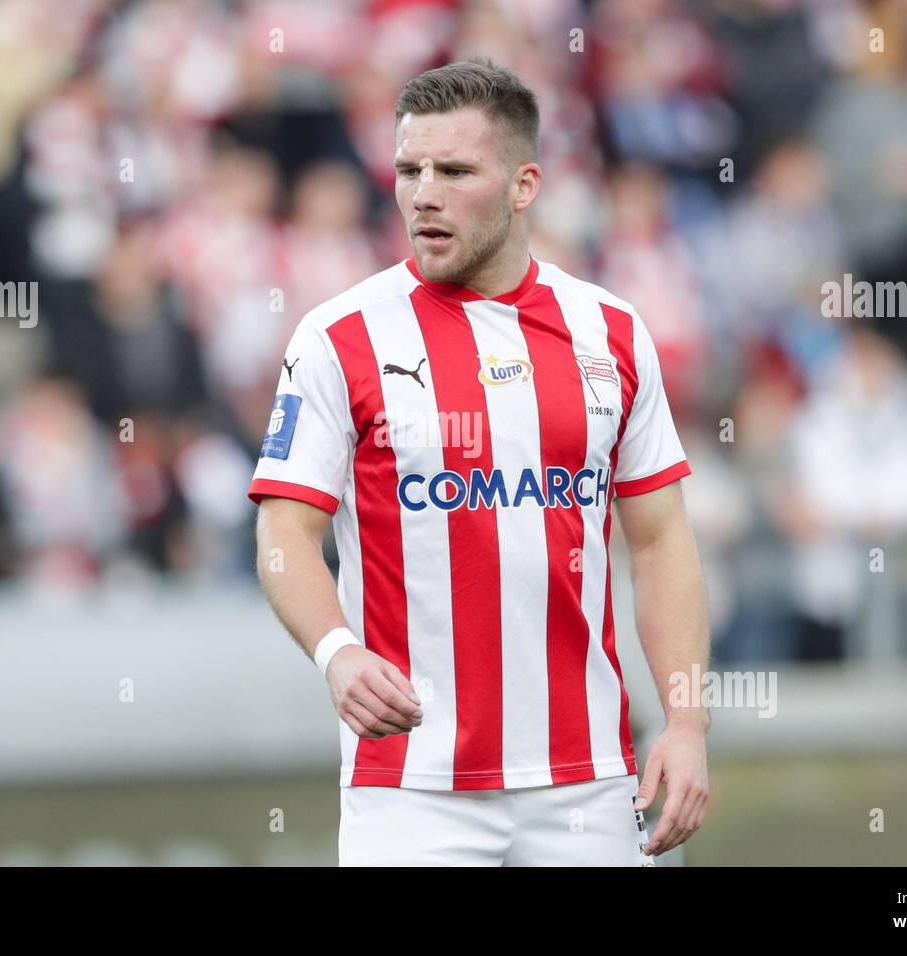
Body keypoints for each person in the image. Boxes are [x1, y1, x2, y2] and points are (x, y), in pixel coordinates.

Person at [249, 59, 710, 866]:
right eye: (408, 170)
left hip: (590, 780)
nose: (422, 193)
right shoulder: (338, 338)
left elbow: (661, 542)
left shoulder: (612, 332)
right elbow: (284, 529)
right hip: (410, 787)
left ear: (524, 185)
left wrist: (686, 721)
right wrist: (337, 651)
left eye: (454, 170)